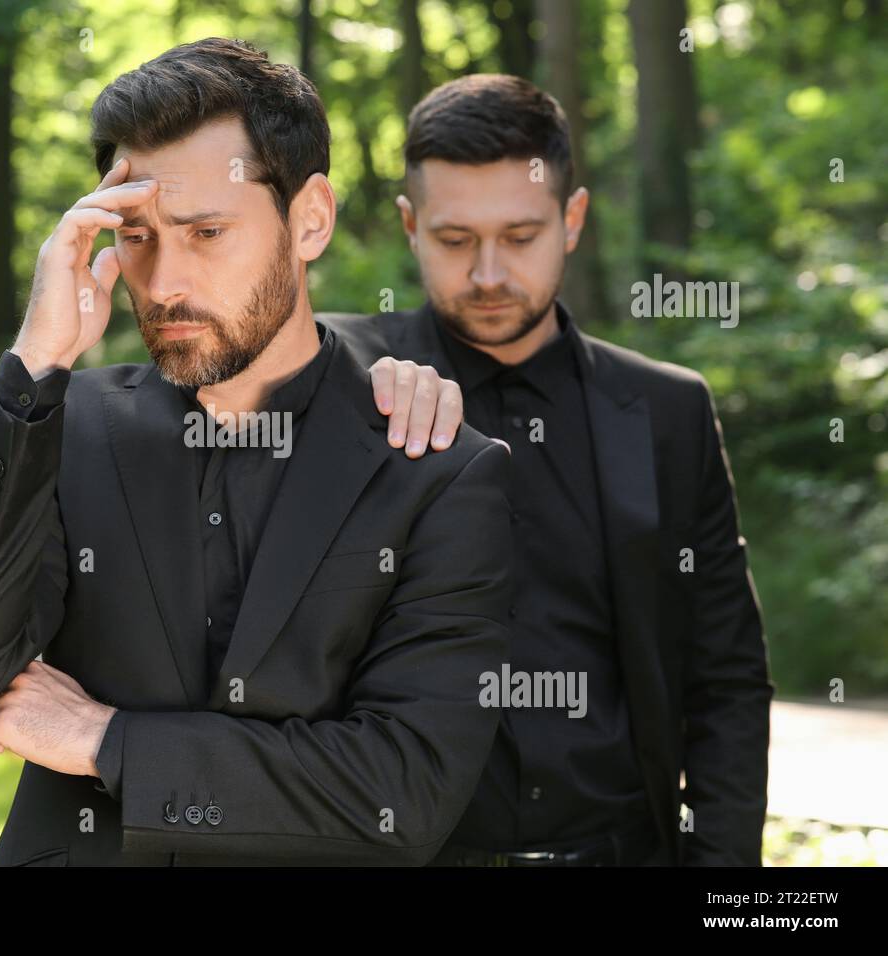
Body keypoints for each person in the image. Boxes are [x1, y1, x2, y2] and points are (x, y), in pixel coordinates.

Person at [0, 39, 513, 866]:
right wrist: (35, 366)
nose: (164, 280)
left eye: (207, 230)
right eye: (139, 236)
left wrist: (106, 741)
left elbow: (400, 793)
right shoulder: (62, 426)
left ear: (310, 219)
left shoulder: (438, 469)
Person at [325, 74, 773, 866]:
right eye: (456, 240)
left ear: (572, 219)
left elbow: (726, 677)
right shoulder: (337, 380)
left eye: (521, 236)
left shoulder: (668, 410)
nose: (490, 273)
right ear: (409, 226)